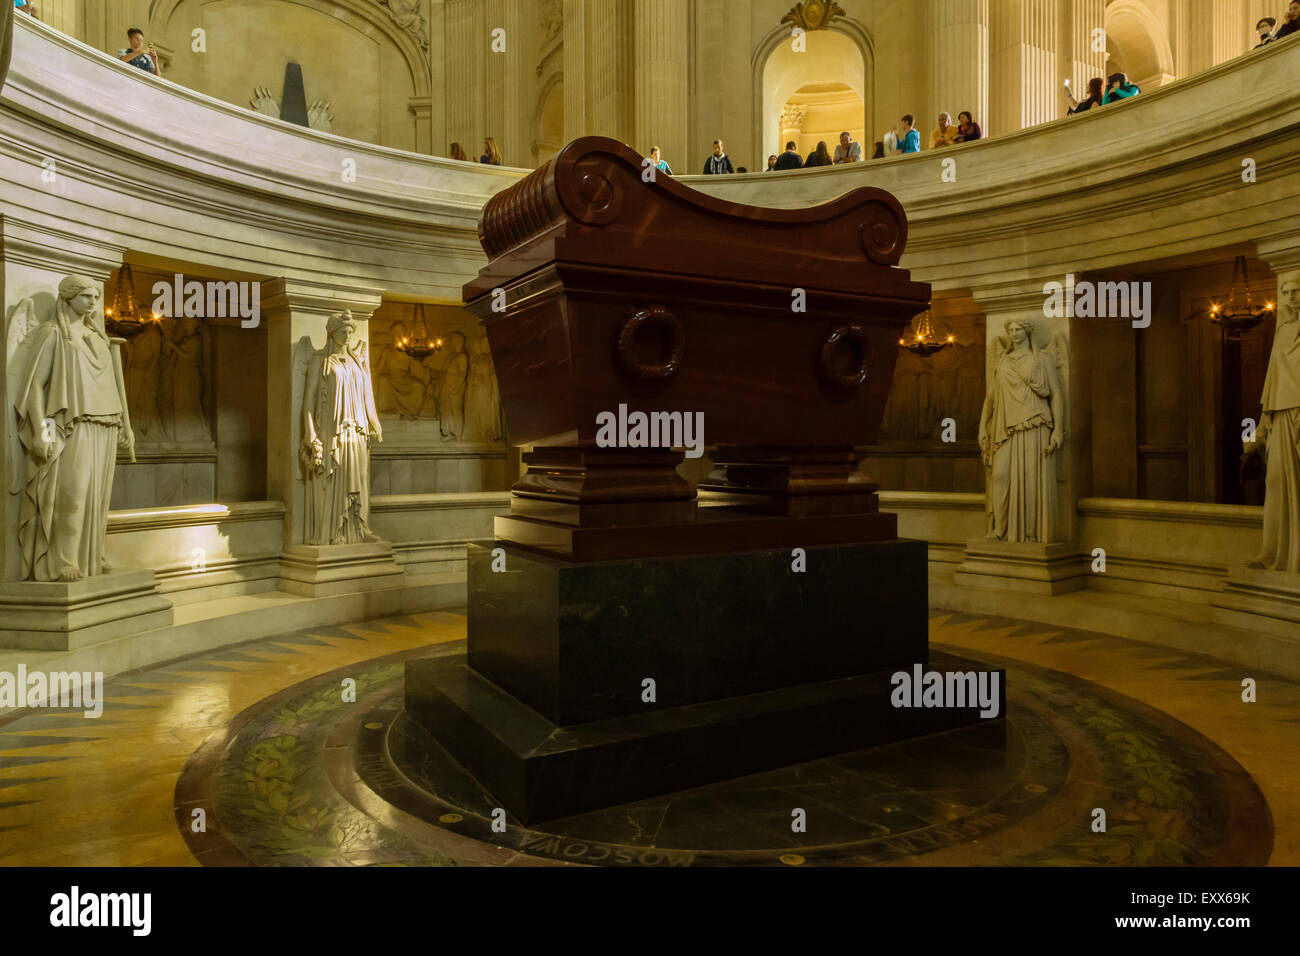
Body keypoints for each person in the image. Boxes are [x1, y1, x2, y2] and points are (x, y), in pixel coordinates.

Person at [12, 276, 133, 581]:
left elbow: (116, 388)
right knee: (73, 493)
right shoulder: (54, 334)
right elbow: (36, 388)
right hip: (70, 425)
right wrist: (41, 431)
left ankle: (92, 555)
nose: (93, 302)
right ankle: (62, 559)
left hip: (105, 424)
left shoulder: (100, 339)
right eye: (86, 296)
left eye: (95, 297)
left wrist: (126, 426)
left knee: (97, 499)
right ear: (67, 298)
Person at [300, 311, 383, 545]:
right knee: (338, 475)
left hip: (357, 429)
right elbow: (308, 400)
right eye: (342, 332)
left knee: (360, 476)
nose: (347, 336)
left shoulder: (358, 361)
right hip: (333, 430)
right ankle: (335, 529)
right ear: (332, 333)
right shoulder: (321, 360)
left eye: (350, 332)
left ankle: (359, 525)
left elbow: (368, 394)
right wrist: (310, 433)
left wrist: (373, 421)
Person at [1248, 272, 1300, 570]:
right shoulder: (1282, 332)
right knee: (1276, 481)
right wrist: (1263, 423)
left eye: (1296, 291)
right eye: (1287, 291)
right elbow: (1273, 379)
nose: (1291, 296)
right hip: (1281, 414)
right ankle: (1273, 553)